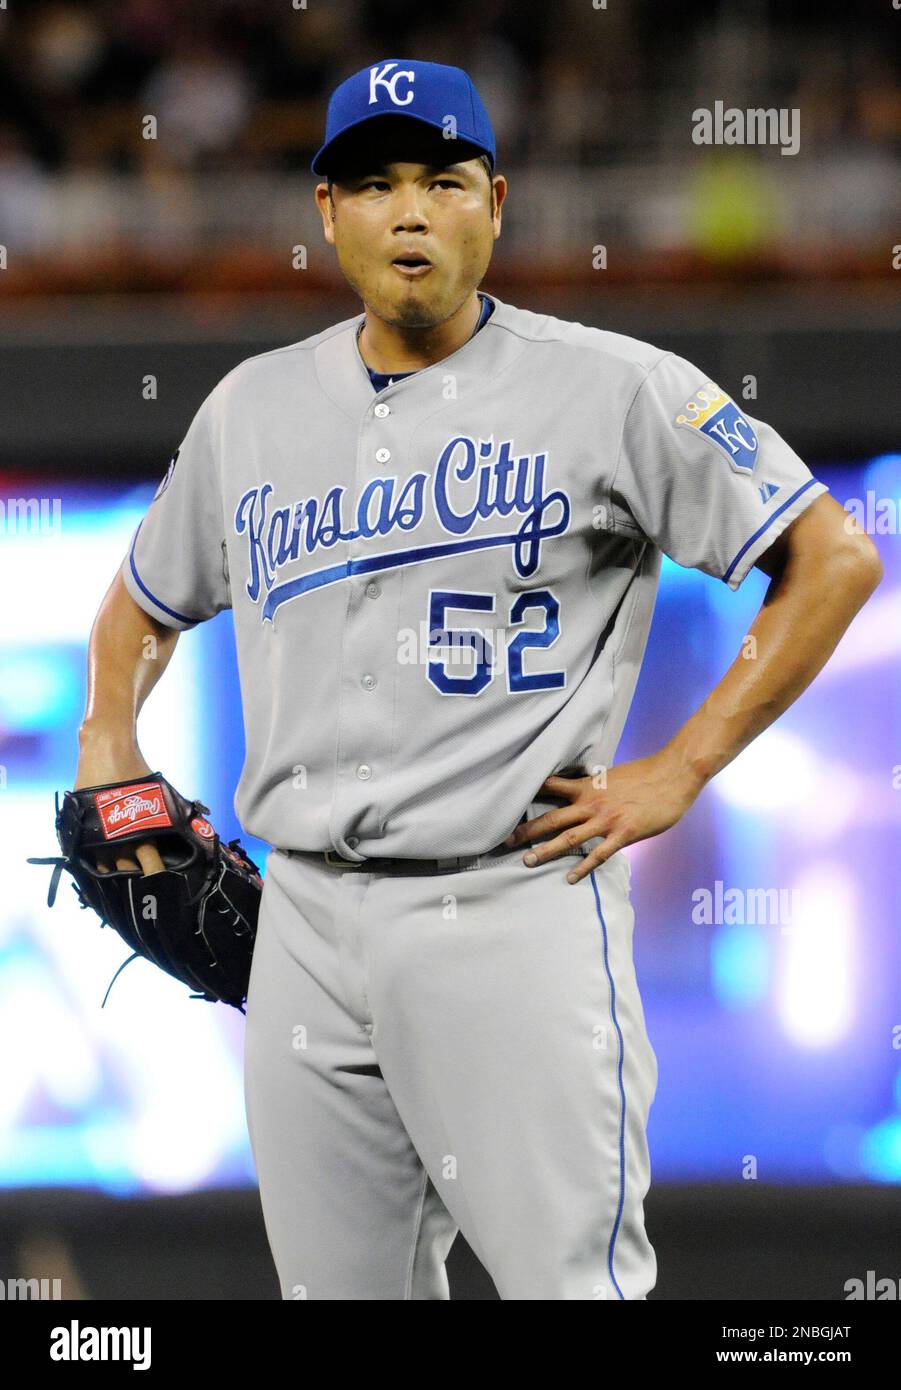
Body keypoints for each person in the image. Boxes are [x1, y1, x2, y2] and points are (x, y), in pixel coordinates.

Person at [76, 59, 882, 1299]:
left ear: (494, 205)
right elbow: (142, 602)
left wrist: (680, 769)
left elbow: (830, 557)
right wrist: (108, 739)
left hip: (512, 900)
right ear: (326, 212)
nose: (409, 212)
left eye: (442, 181)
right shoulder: (250, 410)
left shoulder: (614, 386)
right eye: (374, 184)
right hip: (303, 916)